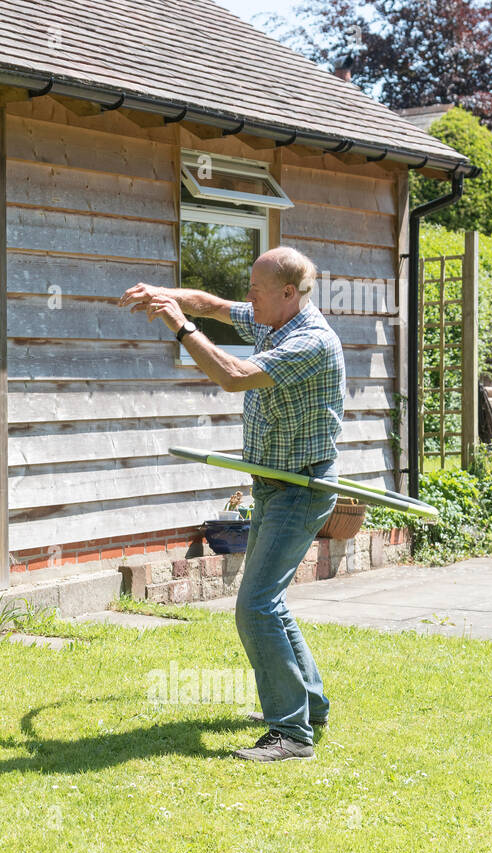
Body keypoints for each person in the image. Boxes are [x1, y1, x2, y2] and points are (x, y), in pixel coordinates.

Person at [121, 247, 344, 762]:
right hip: (273, 483)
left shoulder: (310, 341)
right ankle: (309, 704)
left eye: (257, 290)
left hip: (300, 488)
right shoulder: (272, 320)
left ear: (289, 294)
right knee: (269, 601)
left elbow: (234, 376)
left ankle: (291, 733)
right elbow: (214, 305)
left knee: (255, 607)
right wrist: (167, 295)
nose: (249, 297)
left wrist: (179, 327)